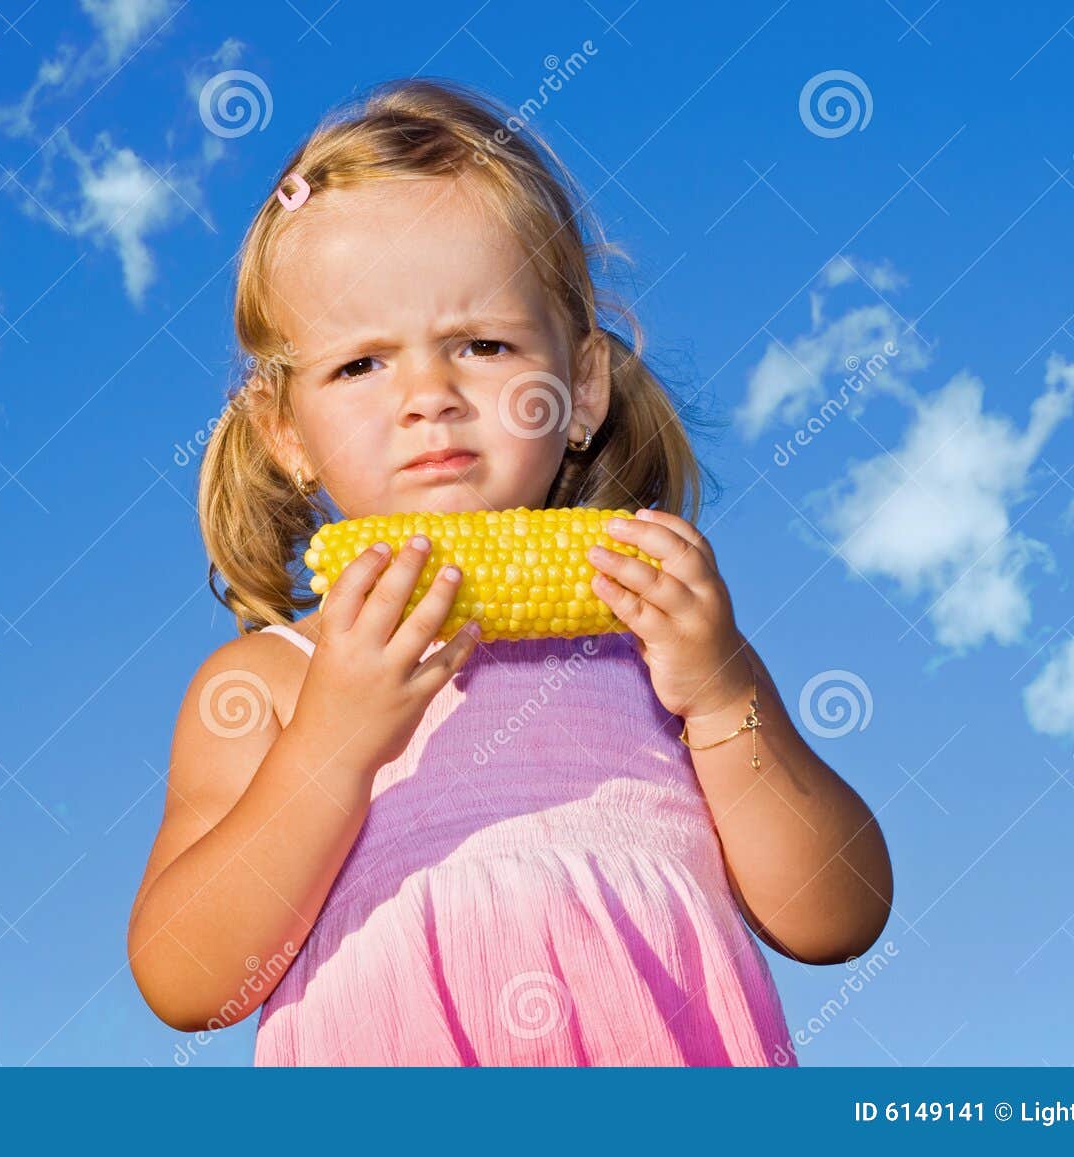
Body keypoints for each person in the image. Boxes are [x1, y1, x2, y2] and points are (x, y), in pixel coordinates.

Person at [128, 77, 893, 1065]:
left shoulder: (655, 651)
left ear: (578, 389)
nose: (429, 396)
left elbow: (837, 914)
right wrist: (333, 740)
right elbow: (187, 980)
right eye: (360, 364)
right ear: (286, 432)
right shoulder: (263, 683)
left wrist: (720, 691)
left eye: (481, 344)